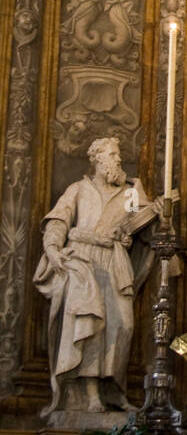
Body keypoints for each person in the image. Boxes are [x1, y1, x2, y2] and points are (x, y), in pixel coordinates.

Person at [34, 136, 159, 418]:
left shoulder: (128, 193)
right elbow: (58, 221)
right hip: (83, 263)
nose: (118, 160)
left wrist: (159, 214)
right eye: (113, 155)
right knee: (90, 326)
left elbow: (145, 231)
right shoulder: (78, 189)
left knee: (122, 326)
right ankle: (91, 394)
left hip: (114, 263)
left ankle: (114, 389)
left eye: (118, 155)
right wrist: (53, 250)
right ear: (98, 160)